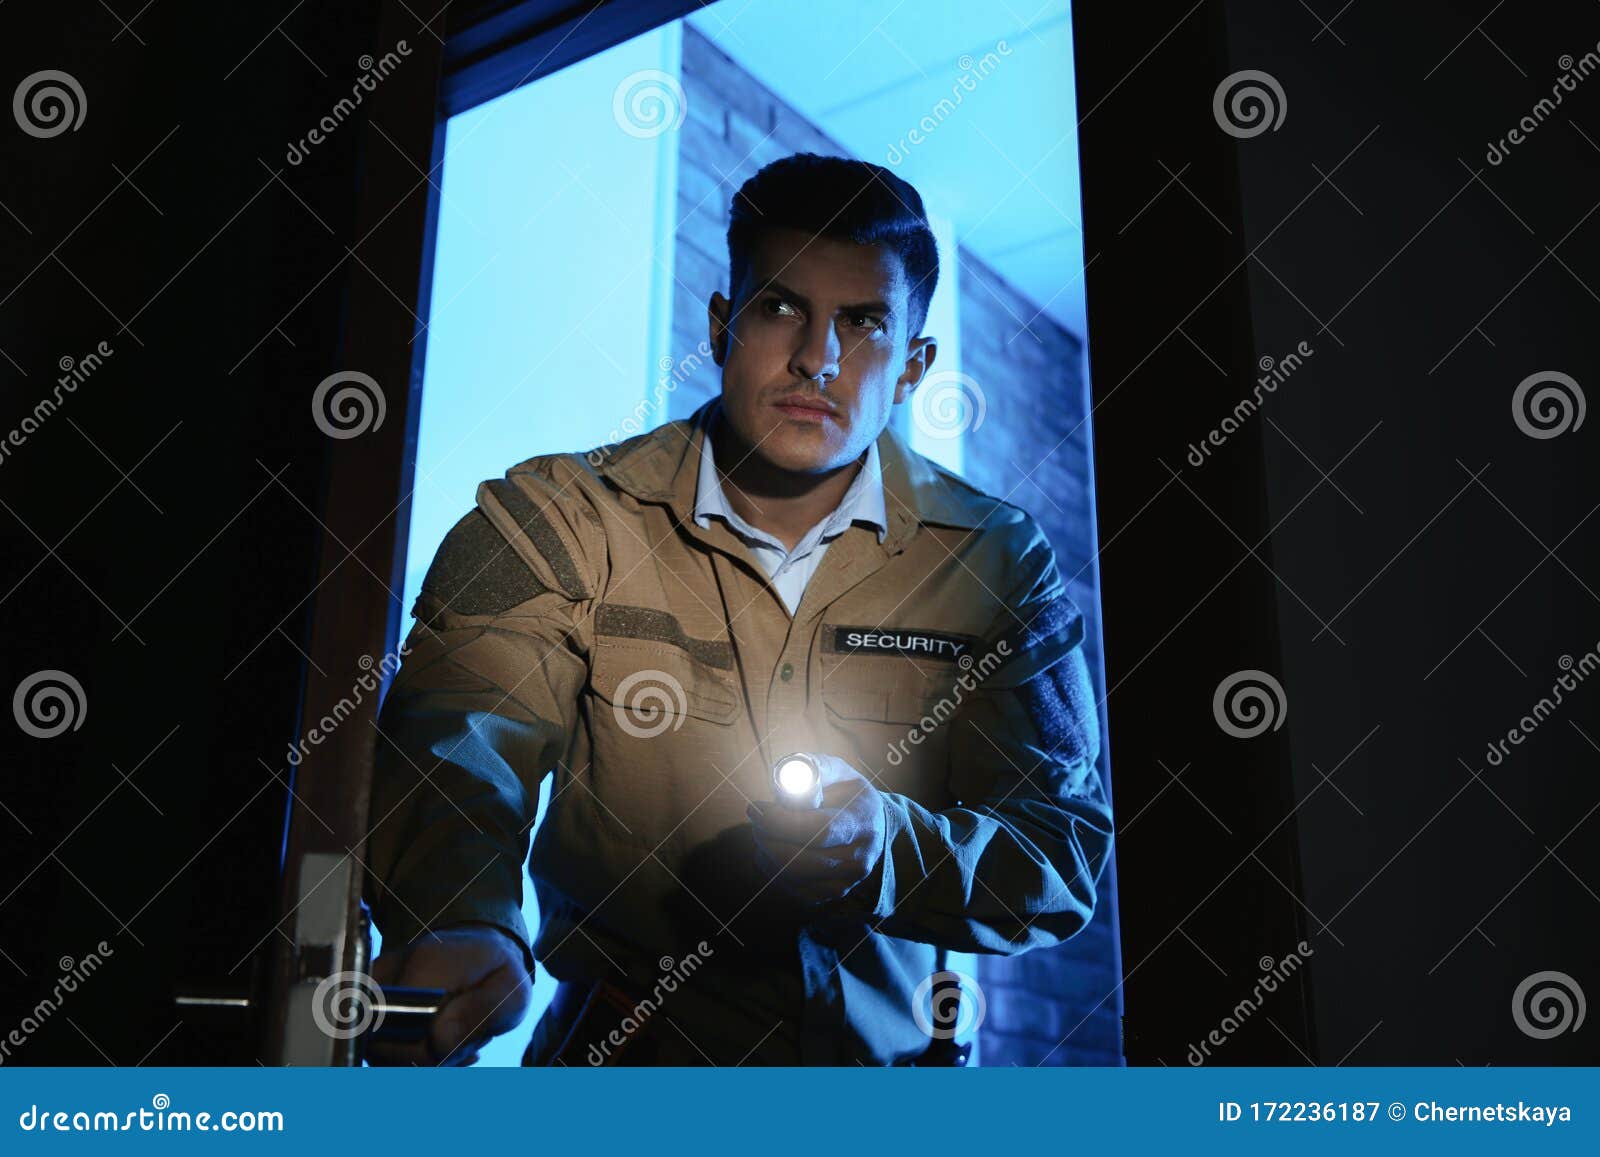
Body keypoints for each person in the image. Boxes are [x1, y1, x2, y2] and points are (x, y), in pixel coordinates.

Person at [363, 153, 1113, 1066]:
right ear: (723, 325)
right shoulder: (560, 518)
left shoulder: (999, 562)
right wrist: (461, 918)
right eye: (782, 307)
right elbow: (460, 738)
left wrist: (888, 847)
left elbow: (1060, 850)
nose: (817, 359)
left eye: (864, 323)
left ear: (915, 367)